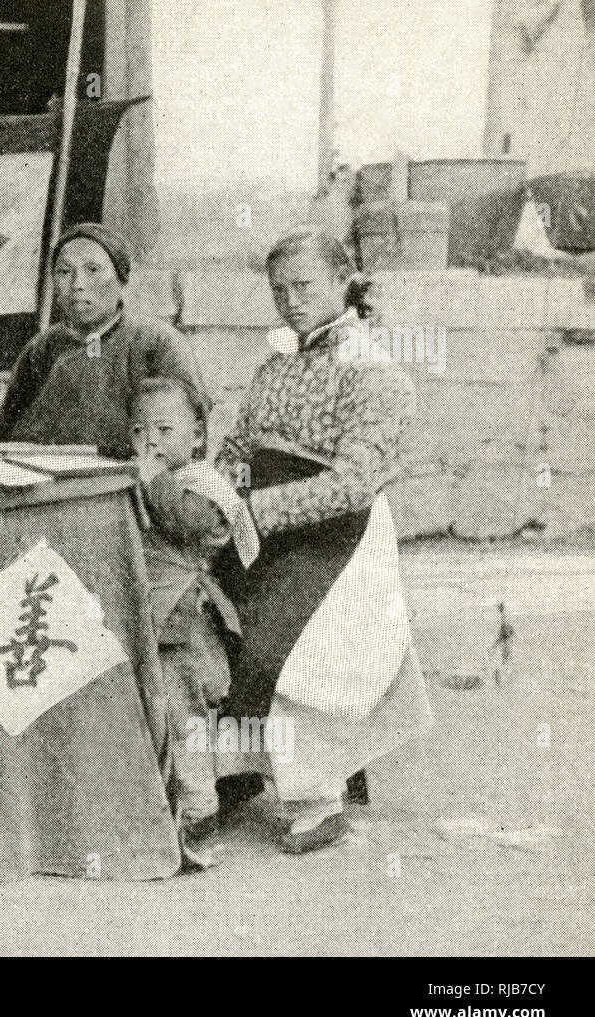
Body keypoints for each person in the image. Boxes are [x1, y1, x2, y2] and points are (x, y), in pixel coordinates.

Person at [212, 226, 434, 853]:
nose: (290, 300)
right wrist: (219, 493)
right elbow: (237, 447)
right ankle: (240, 772)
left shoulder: (376, 370)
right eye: (279, 290)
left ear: (342, 282)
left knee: (288, 650)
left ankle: (318, 795)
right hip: (261, 525)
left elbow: (355, 483)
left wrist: (256, 510)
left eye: (304, 286)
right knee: (218, 623)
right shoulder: (276, 363)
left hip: (340, 536)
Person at [131, 376, 258, 870]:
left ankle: (200, 818)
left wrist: (153, 479)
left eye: (164, 429)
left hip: (185, 626)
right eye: (140, 430)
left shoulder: (204, 487)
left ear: (199, 436)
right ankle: (169, 810)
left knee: (186, 722)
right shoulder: (156, 477)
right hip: (159, 619)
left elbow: (190, 524)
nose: (152, 442)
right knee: (160, 718)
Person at [0, 223, 211, 459]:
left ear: (121, 279)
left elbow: (188, 446)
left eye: (93, 270)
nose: (77, 285)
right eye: (64, 272)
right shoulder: (42, 348)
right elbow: (1, 439)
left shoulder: (158, 343)